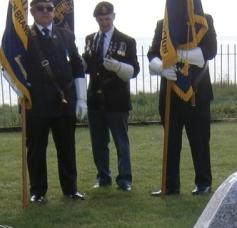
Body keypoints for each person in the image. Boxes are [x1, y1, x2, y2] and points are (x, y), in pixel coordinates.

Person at [23, 1, 87, 203]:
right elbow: (14, 68)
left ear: (53, 12)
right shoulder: (24, 36)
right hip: (37, 103)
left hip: (64, 102)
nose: (45, 12)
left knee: (67, 148)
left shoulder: (66, 35)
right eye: (40, 8)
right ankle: (38, 191)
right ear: (32, 11)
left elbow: (77, 68)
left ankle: (70, 189)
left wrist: (81, 100)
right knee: (36, 150)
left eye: (49, 8)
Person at [147, 11, 217, 196]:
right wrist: (161, 67)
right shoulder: (163, 23)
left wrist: (175, 54)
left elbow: (209, 51)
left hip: (197, 93)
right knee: (170, 141)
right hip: (170, 93)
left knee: (199, 140)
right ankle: (170, 185)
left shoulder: (204, 20)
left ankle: (203, 183)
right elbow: (152, 54)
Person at [82, 2, 138, 191]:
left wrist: (118, 67)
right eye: (100, 18)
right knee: (98, 142)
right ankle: (103, 177)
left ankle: (125, 179)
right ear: (96, 19)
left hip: (117, 100)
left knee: (121, 142)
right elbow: (87, 65)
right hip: (95, 99)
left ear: (113, 17)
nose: (104, 22)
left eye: (107, 18)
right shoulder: (90, 39)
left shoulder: (126, 40)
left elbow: (134, 70)